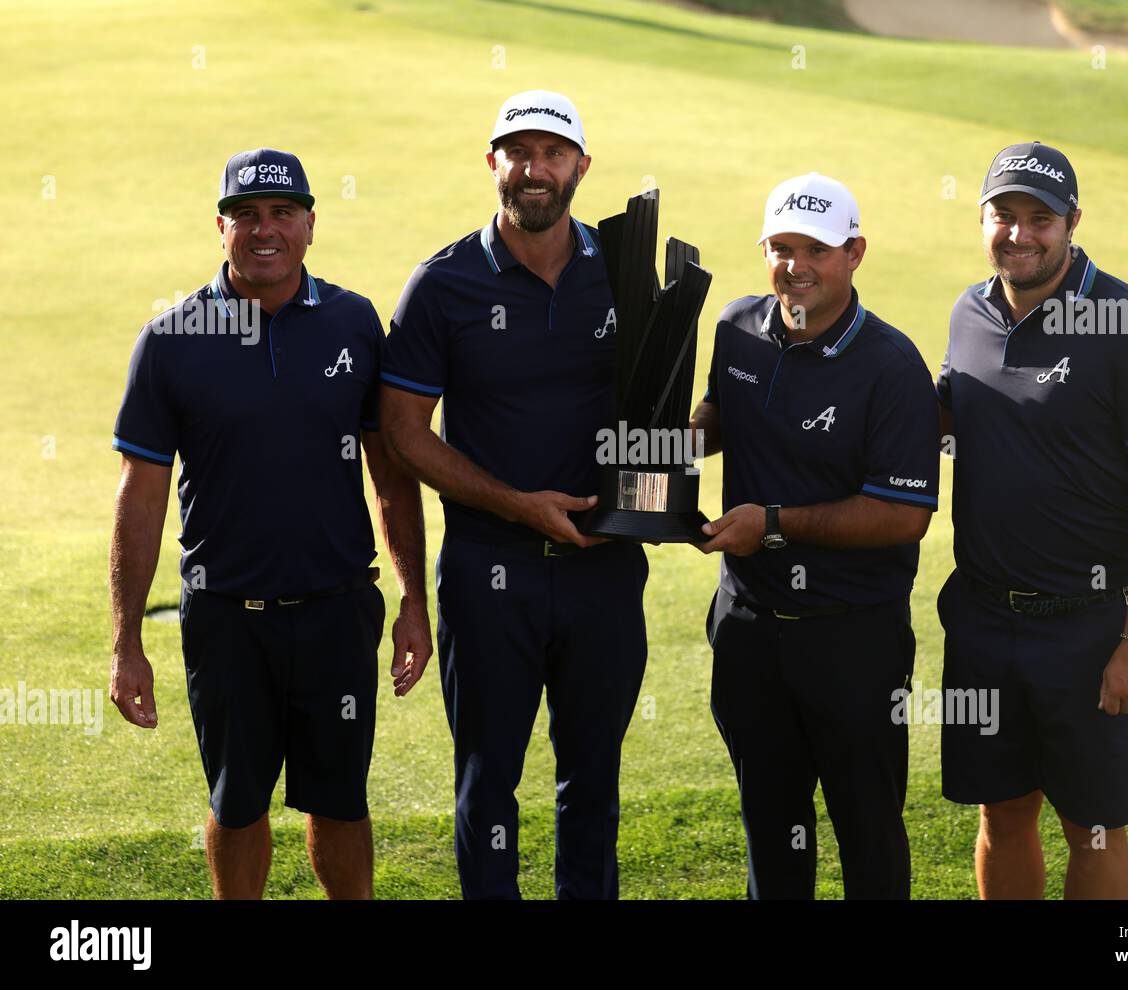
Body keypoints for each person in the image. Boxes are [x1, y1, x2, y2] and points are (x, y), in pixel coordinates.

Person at [108, 148, 432, 900]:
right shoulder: (171, 340)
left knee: (342, 801)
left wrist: (414, 600)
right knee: (237, 802)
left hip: (337, 611)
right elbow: (141, 499)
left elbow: (389, 473)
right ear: (220, 227)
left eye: (282, 213)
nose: (264, 230)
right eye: (246, 215)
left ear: (310, 225)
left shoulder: (353, 322)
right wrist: (125, 639)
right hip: (227, 620)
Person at [379, 91, 649, 900]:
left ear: (581, 168)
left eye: (553, 153)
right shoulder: (444, 283)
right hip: (489, 571)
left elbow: (657, 409)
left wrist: (647, 500)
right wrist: (517, 503)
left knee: (593, 780)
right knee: (487, 782)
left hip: (604, 568)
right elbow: (402, 431)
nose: (536, 170)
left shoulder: (625, 272)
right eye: (519, 153)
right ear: (492, 162)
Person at [936, 141, 1128, 899]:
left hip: (1091, 627)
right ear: (982, 219)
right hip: (983, 622)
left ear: (1072, 221)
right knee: (1002, 814)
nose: (1020, 234)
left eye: (1039, 218)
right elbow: (940, 423)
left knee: (1093, 827)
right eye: (1003, 215)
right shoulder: (968, 312)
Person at [689, 172, 939, 899]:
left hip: (852, 639)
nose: (794, 265)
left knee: (868, 832)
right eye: (780, 247)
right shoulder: (737, 324)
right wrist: (648, 448)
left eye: (815, 250)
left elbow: (903, 514)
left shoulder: (892, 367)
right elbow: (719, 417)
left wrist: (770, 525)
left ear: (854, 252)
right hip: (748, 632)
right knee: (770, 825)